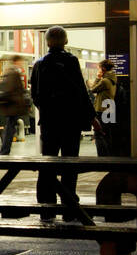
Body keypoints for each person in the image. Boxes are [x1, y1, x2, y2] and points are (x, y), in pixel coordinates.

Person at [29, 27, 95, 220]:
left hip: (50, 122)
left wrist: (47, 110)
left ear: (47, 42)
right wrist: (92, 117)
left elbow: (35, 95)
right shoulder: (71, 61)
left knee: (48, 162)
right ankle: (69, 208)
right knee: (69, 165)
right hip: (71, 122)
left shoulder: (39, 63)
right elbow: (81, 92)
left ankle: (46, 208)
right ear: (66, 42)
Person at [0, 55, 31, 156]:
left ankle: (5, 150)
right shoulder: (13, 73)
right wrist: (20, 100)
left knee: (10, 128)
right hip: (13, 107)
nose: (21, 63)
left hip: (10, 107)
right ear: (16, 61)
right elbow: (13, 90)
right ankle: (4, 151)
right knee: (9, 129)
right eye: (20, 61)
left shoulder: (8, 72)